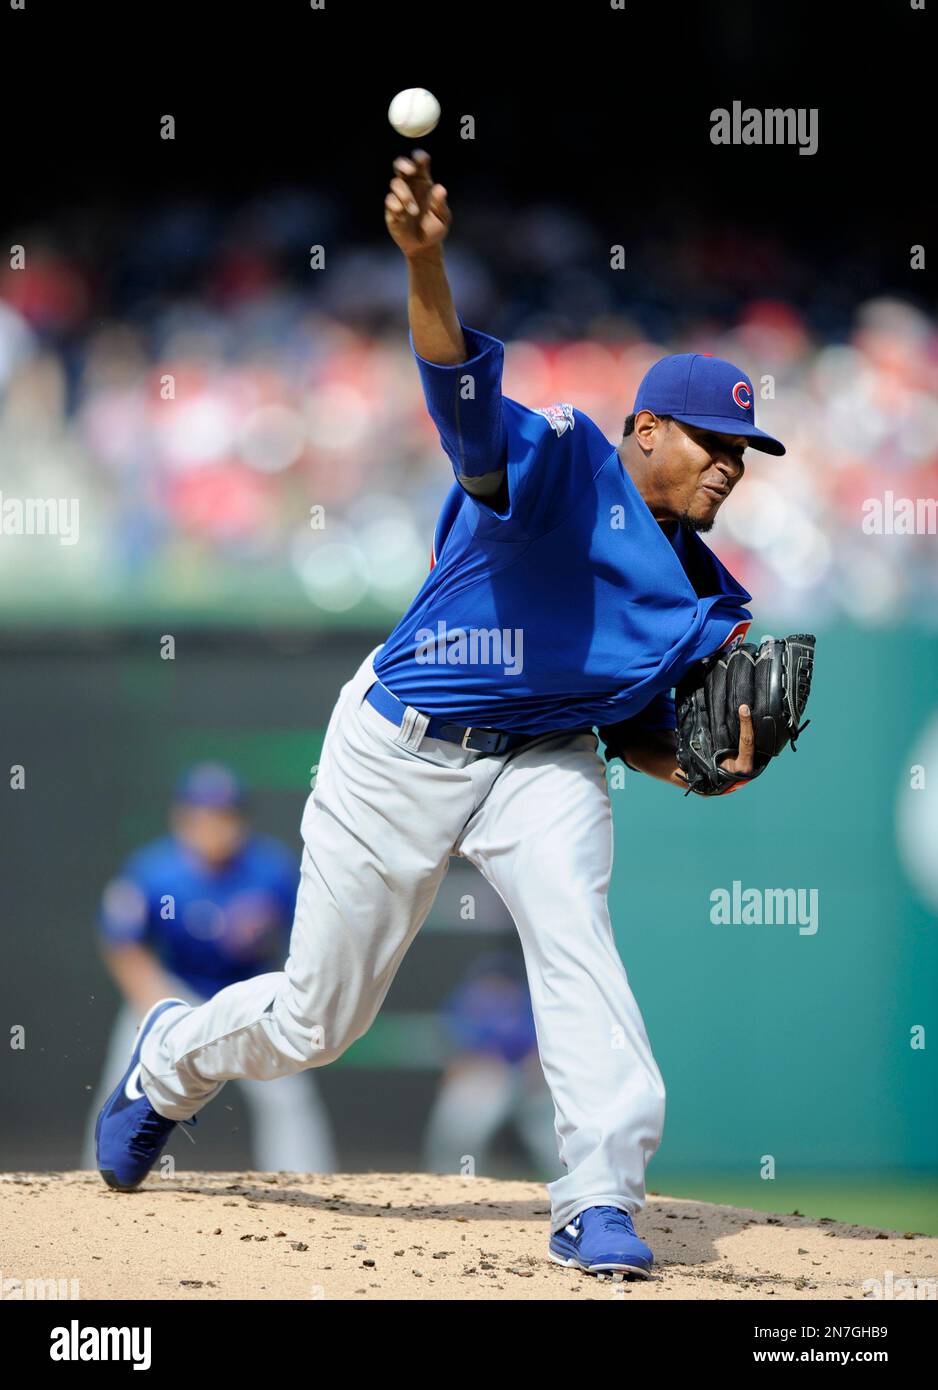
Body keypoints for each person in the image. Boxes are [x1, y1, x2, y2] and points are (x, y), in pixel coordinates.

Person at [96, 151, 790, 1281]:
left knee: (573, 926)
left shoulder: (709, 601)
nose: (730, 466)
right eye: (713, 442)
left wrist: (709, 768)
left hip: (541, 762)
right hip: (399, 741)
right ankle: (170, 1058)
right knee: (320, 1017)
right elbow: (456, 386)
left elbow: (642, 736)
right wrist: (423, 258)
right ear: (648, 428)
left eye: (745, 453)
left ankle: (597, 1194)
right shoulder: (562, 457)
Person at [86, 763, 336, 1174]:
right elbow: (122, 943)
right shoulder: (152, 869)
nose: (215, 826)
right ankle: (93, 1174)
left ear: (242, 820)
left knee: (288, 1097)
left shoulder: (271, 869)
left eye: (226, 815)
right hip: (172, 991)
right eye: (203, 815)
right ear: (181, 818)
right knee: (122, 1082)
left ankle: (310, 1180)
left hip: (245, 996)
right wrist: (155, 1002)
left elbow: (306, 940)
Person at [423, 952, 558, 1179]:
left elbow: (544, 1048)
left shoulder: (531, 1001)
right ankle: (451, 1185)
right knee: (462, 1122)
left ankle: (572, 1182)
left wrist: (536, 1065)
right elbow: (454, 1051)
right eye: (490, 981)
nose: (495, 986)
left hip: (529, 1078)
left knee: (552, 1129)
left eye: (502, 981)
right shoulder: (465, 1003)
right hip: (487, 1076)